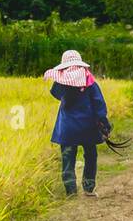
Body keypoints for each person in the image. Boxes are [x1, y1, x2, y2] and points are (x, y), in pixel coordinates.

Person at [44, 48, 110, 197]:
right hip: (88, 127)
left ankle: (71, 190)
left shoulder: (61, 81)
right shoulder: (89, 81)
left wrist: (63, 80)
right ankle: (88, 187)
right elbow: (99, 104)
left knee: (68, 157)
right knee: (91, 155)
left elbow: (55, 93)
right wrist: (104, 123)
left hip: (67, 128)